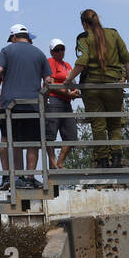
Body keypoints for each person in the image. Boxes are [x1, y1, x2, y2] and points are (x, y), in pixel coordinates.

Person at [0, 24, 52, 191]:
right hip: (33, 103)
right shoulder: (40, 53)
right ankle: (30, 177)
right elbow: (49, 81)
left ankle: (17, 177)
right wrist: (43, 99)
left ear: (13, 37)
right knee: (33, 142)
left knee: (12, 141)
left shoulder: (7, 51)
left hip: (10, 104)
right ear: (27, 36)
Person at [62, 9, 129, 168]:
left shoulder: (84, 38)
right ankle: (116, 158)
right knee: (115, 123)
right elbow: (127, 60)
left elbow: (83, 60)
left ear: (84, 24)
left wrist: (68, 79)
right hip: (113, 86)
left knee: (98, 124)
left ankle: (102, 160)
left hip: (92, 87)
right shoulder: (113, 34)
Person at [44, 38, 79, 170]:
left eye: (62, 49)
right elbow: (51, 84)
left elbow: (72, 82)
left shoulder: (67, 65)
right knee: (50, 135)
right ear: (51, 52)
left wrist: (74, 91)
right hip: (53, 100)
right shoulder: (50, 62)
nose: (60, 52)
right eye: (56, 50)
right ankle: (53, 164)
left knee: (71, 135)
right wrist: (68, 93)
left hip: (65, 102)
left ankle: (60, 162)